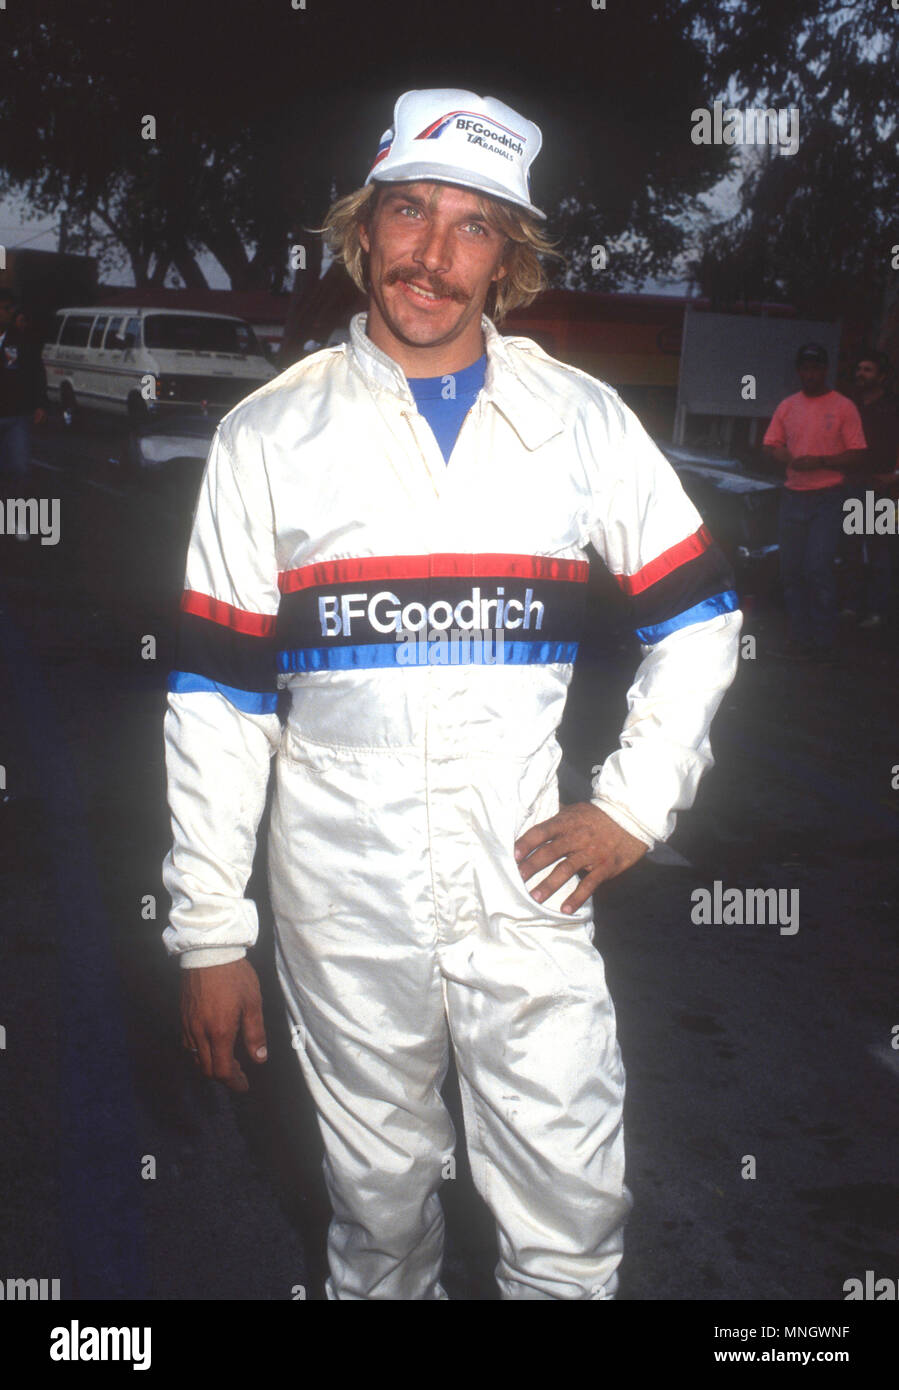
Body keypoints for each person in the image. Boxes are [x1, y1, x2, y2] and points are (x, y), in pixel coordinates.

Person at [163, 87, 742, 1300]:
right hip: (337, 898)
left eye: (472, 228)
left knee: (571, 1220)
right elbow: (218, 700)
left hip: (523, 881)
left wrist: (631, 806)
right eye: (410, 213)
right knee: (376, 1227)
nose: (431, 255)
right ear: (363, 227)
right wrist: (212, 931)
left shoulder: (578, 422)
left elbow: (699, 621)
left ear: (508, 259)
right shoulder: (268, 437)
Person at [763, 343, 867, 662]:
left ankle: (824, 641)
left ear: (825, 370)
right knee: (791, 570)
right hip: (793, 496)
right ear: (799, 371)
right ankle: (799, 637)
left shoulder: (844, 406)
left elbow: (857, 452)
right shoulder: (788, 405)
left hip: (827, 497)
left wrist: (820, 461)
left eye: (816, 368)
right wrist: (788, 457)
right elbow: (771, 444)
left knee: (818, 568)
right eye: (805, 368)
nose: (810, 374)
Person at [840, 350, 899, 629]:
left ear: (882, 376)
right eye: (859, 368)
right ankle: (852, 606)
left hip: (880, 488)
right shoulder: (851, 407)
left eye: (868, 369)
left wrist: (895, 476)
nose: (861, 374)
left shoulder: (893, 408)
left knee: (879, 552)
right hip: (854, 485)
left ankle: (877, 612)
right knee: (852, 550)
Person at [0, 289, 48, 481]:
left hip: (16, 416)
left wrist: (40, 404)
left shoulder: (22, 341)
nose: (5, 312)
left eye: (8, 308)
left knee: (19, 469)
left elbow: (37, 372)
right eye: (2, 308)